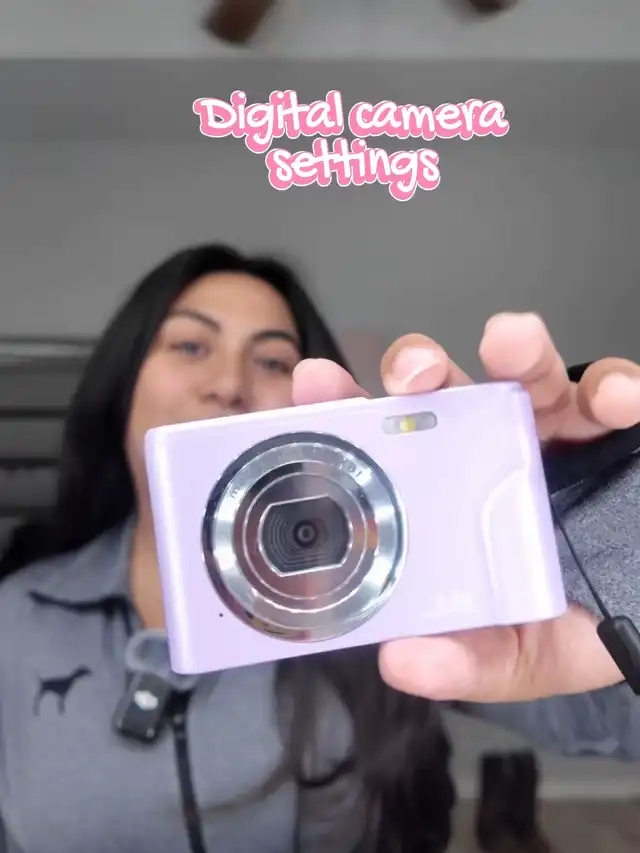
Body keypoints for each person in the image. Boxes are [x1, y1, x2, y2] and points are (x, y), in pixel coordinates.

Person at [0, 244, 638, 853]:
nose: (229, 384)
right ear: (123, 382)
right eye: (190, 345)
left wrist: (606, 562)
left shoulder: (390, 595)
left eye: (273, 361)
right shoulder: (17, 618)